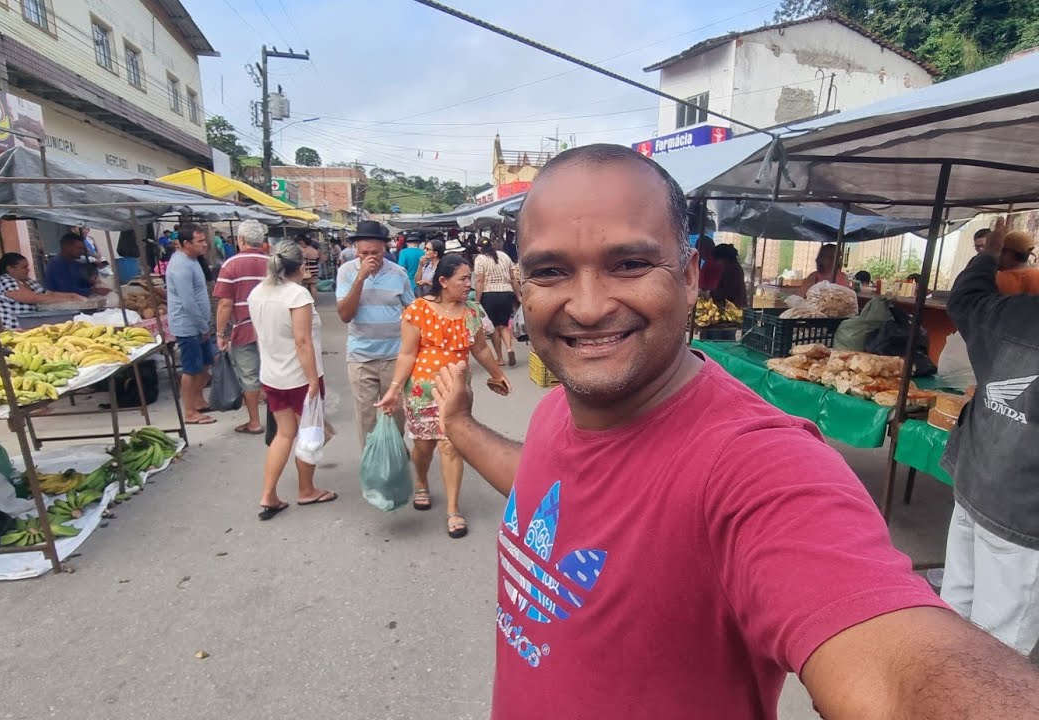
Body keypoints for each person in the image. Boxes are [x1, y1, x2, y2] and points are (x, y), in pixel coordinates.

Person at [429, 144, 1039, 718]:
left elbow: (900, 670)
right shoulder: (558, 411)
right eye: (551, 271)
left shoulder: (755, 466)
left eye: (631, 264)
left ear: (691, 275)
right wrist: (459, 423)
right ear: (523, 287)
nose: (587, 307)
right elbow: (544, 483)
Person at [942, 216, 1039, 655]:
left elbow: (964, 297)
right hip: (1023, 515)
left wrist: (988, 254)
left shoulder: (1012, 313)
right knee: (1000, 648)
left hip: (976, 484)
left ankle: (942, 683)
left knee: (956, 608)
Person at [376, 255, 510, 537]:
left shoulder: (472, 311)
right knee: (424, 447)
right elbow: (407, 354)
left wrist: (497, 374)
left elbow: (480, 349)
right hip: (421, 393)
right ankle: (421, 480)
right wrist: (394, 389)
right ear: (443, 281)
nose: (469, 284)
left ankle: (453, 509)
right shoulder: (418, 310)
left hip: (456, 392)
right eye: (463, 279)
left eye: (469, 278)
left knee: (451, 445)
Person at [247, 241, 336, 519]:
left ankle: (268, 494)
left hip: (272, 374)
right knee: (309, 434)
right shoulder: (297, 296)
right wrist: (313, 381)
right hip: (299, 376)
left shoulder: (257, 293)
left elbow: (260, 336)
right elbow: (302, 342)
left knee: (284, 434)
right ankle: (306, 489)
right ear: (300, 265)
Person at [336, 220, 414, 446]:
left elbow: (412, 311)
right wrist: (360, 278)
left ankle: (395, 452)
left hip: (394, 357)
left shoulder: (398, 273)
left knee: (397, 412)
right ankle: (371, 459)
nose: (370, 257)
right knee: (366, 417)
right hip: (361, 357)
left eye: (376, 253)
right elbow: (345, 315)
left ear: (385, 249)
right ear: (356, 252)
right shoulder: (346, 272)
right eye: (364, 253)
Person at [214, 220, 270, 435]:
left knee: (249, 376)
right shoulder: (273, 263)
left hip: (244, 328)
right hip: (272, 328)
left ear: (241, 240)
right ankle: (280, 419)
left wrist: (220, 333)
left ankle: (254, 422)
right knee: (272, 371)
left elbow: (225, 303)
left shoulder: (231, 265)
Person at [167, 225, 217, 425]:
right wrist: (202, 327)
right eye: (200, 241)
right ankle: (189, 412)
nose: (204, 244)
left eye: (204, 240)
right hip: (188, 326)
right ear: (186, 243)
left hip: (199, 324)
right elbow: (188, 301)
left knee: (205, 364)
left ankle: (198, 400)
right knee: (191, 369)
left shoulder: (193, 261)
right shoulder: (181, 266)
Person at [0, 253, 85, 330]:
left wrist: (72, 296)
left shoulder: (28, 281)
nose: (28, 270)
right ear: (10, 269)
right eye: (24, 267)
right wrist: (69, 299)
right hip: (13, 329)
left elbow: (47, 294)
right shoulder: (4, 282)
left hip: (30, 327)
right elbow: (35, 298)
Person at [473, 237, 523, 367]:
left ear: (478, 248)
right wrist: (518, 295)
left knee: (494, 328)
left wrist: (477, 301)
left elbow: (480, 281)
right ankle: (509, 348)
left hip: (489, 295)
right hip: (506, 293)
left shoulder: (480, 259)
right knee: (504, 325)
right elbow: (513, 278)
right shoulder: (504, 256)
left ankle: (500, 358)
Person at [46, 233, 110, 297]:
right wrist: (93, 291)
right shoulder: (57, 264)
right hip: (63, 301)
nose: (82, 251)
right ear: (67, 248)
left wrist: (91, 282)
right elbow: (66, 290)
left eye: (83, 248)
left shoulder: (74, 263)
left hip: (78, 299)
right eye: (79, 248)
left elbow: (79, 283)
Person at [994, 229, 1039, 295]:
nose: (999, 255)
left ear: (1009, 254)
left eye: (1002, 251)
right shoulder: (1037, 277)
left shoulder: (996, 281)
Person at [709, 242, 748, 308]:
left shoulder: (731, 268)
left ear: (724, 258)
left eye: (717, 259)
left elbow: (728, 291)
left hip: (733, 307)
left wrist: (710, 293)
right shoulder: (732, 266)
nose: (716, 262)